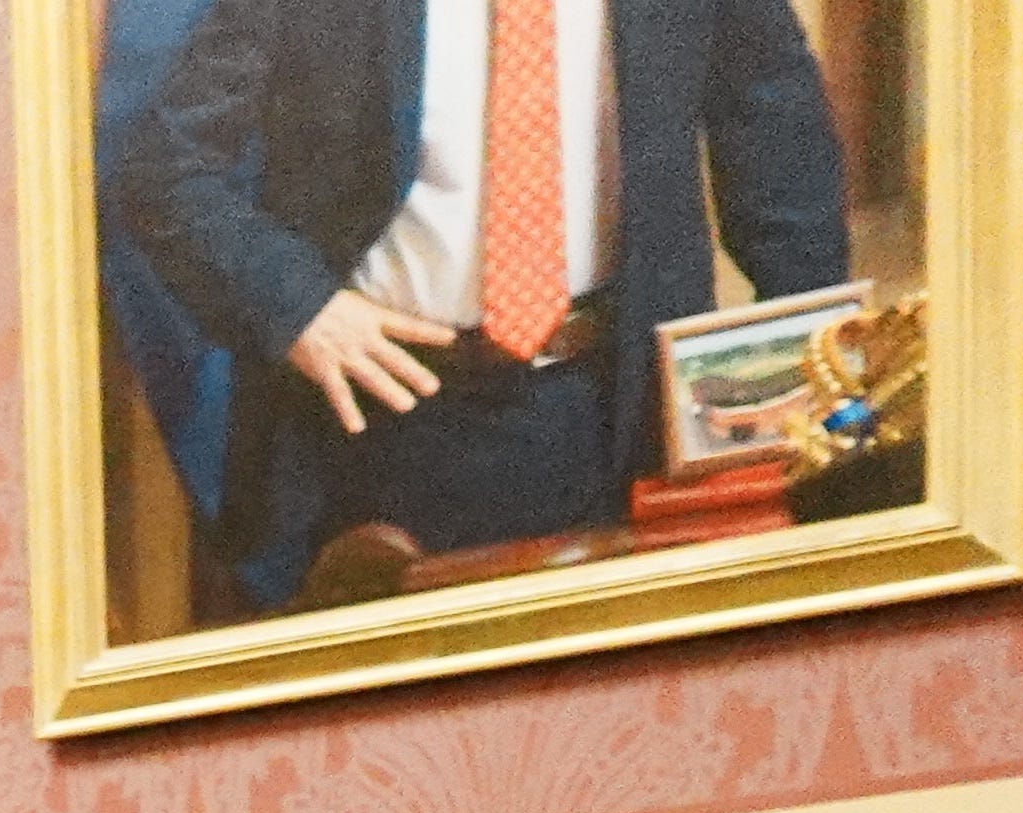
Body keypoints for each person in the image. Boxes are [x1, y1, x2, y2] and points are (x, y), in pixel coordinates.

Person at [109, 0, 853, 602]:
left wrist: (815, 385)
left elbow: (774, 129)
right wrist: (296, 305)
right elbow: (167, 171)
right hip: (384, 425)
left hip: (622, 413)